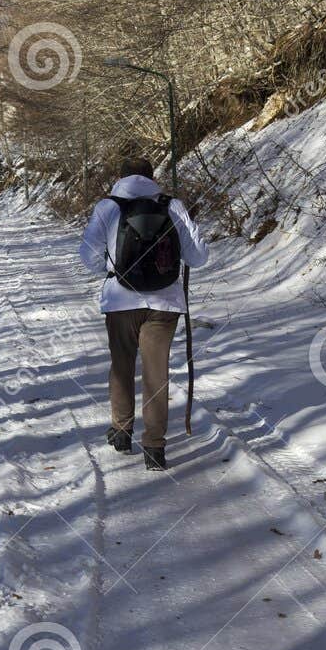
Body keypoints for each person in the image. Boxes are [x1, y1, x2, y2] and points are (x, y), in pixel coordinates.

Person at [78, 157, 209, 470]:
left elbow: (89, 257)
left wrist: (114, 269)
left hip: (121, 302)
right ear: (152, 177)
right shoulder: (172, 205)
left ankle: (122, 431)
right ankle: (155, 448)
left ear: (120, 177)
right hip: (164, 304)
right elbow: (198, 257)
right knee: (156, 373)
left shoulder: (107, 207)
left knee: (121, 366)